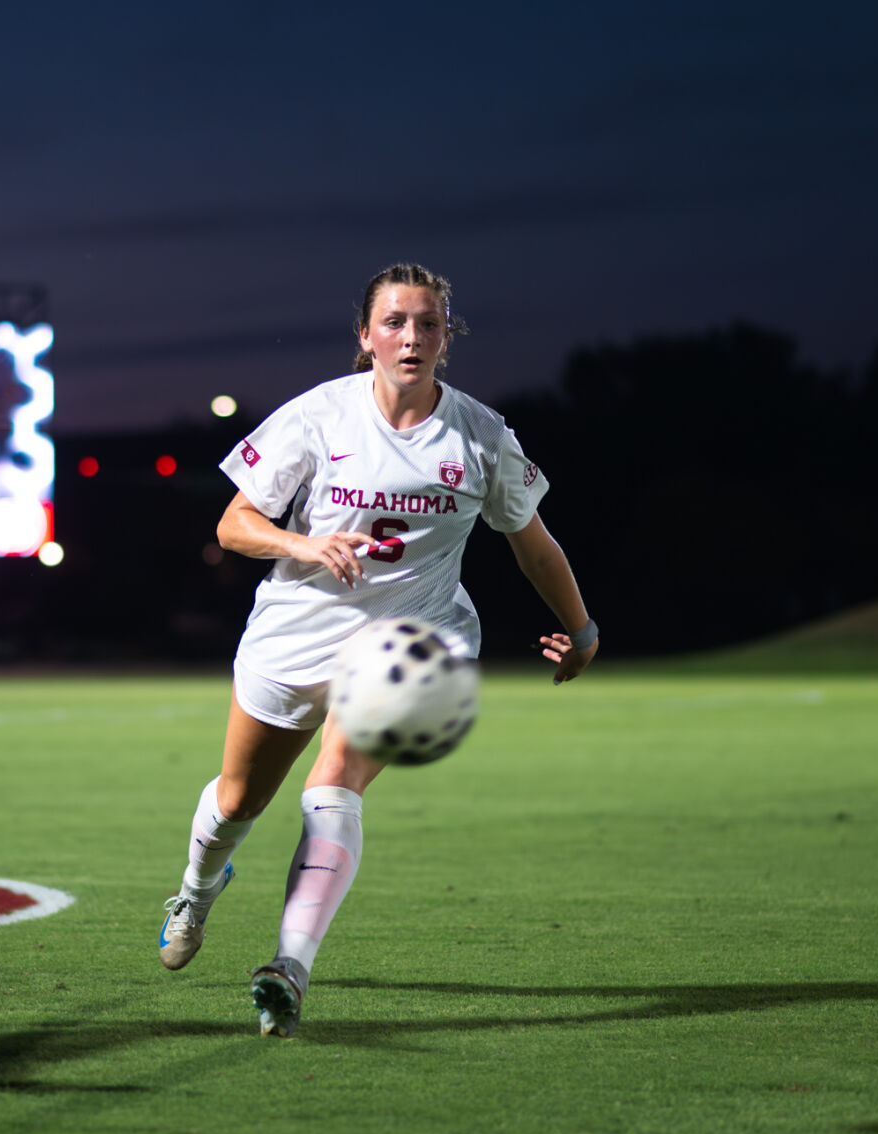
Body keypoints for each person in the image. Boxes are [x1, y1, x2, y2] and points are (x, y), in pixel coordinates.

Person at [155, 264, 598, 1037]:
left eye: (428, 324)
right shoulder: (318, 417)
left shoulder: (482, 435)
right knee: (238, 799)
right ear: (365, 337)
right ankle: (196, 888)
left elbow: (532, 543)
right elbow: (232, 525)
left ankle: (288, 967)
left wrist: (582, 627)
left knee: (332, 785)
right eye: (395, 322)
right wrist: (305, 541)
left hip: (411, 640)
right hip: (297, 631)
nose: (412, 337)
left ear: (445, 339)